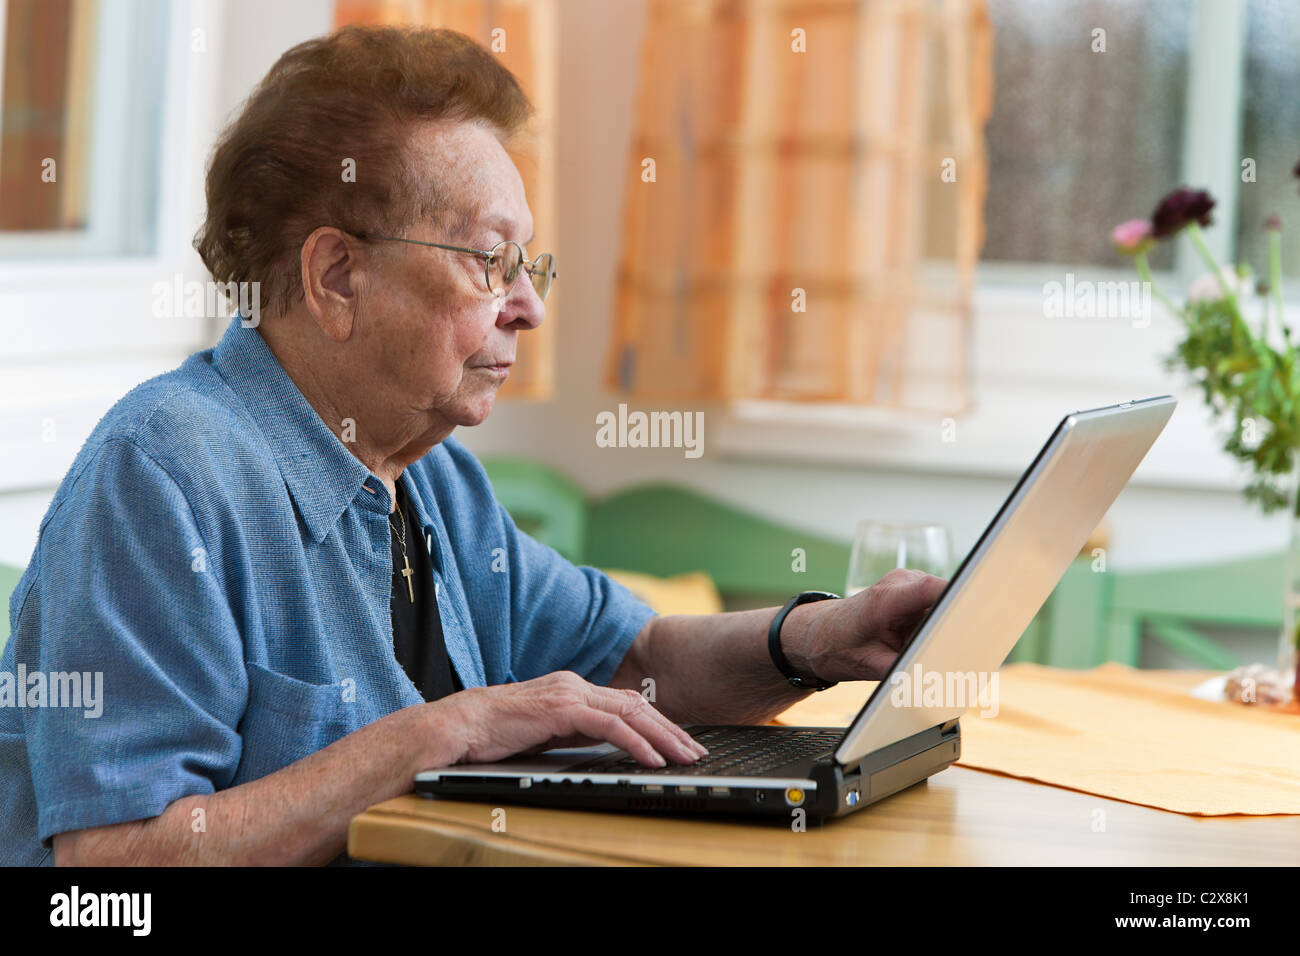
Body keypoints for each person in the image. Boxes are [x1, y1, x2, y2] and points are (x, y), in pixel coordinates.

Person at [0, 25, 944, 865]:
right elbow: (114, 864)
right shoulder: (162, 476)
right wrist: (436, 735)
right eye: (491, 261)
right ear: (336, 276)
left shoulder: (432, 474)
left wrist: (820, 639)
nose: (529, 307)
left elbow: (630, 658)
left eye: (529, 264)